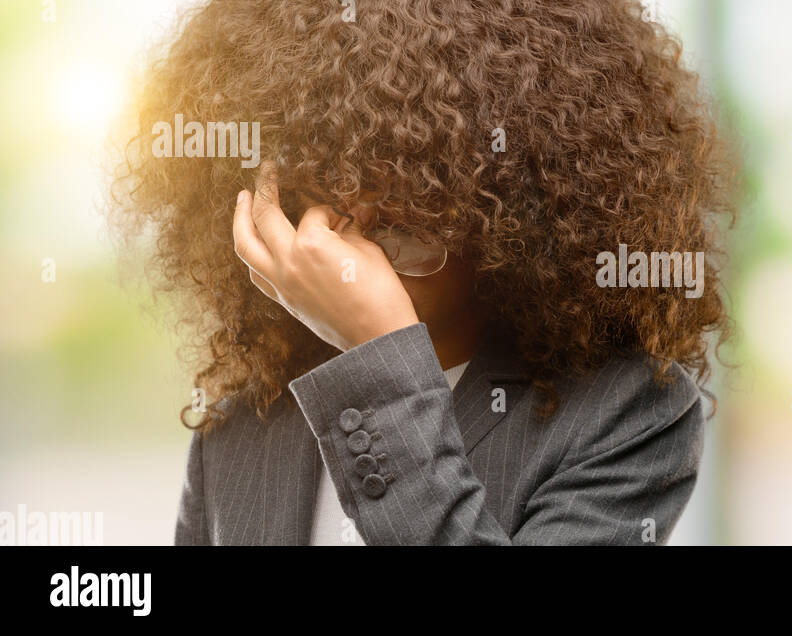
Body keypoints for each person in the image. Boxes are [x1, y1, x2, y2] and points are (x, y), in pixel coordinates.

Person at [108, 0, 735, 545]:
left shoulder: (628, 412)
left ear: (522, 184)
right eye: (331, 171)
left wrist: (380, 356)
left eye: (414, 168)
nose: (365, 210)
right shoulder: (244, 426)